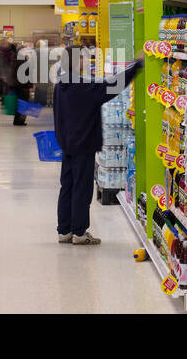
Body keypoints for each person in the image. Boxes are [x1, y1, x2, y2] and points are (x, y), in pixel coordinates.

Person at [53, 51, 145, 246]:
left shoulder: (61, 84)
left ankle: (64, 230)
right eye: (82, 58)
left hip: (67, 142)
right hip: (83, 143)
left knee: (67, 185)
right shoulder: (82, 86)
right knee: (82, 187)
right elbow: (112, 86)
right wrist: (136, 65)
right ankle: (79, 232)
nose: (85, 61)